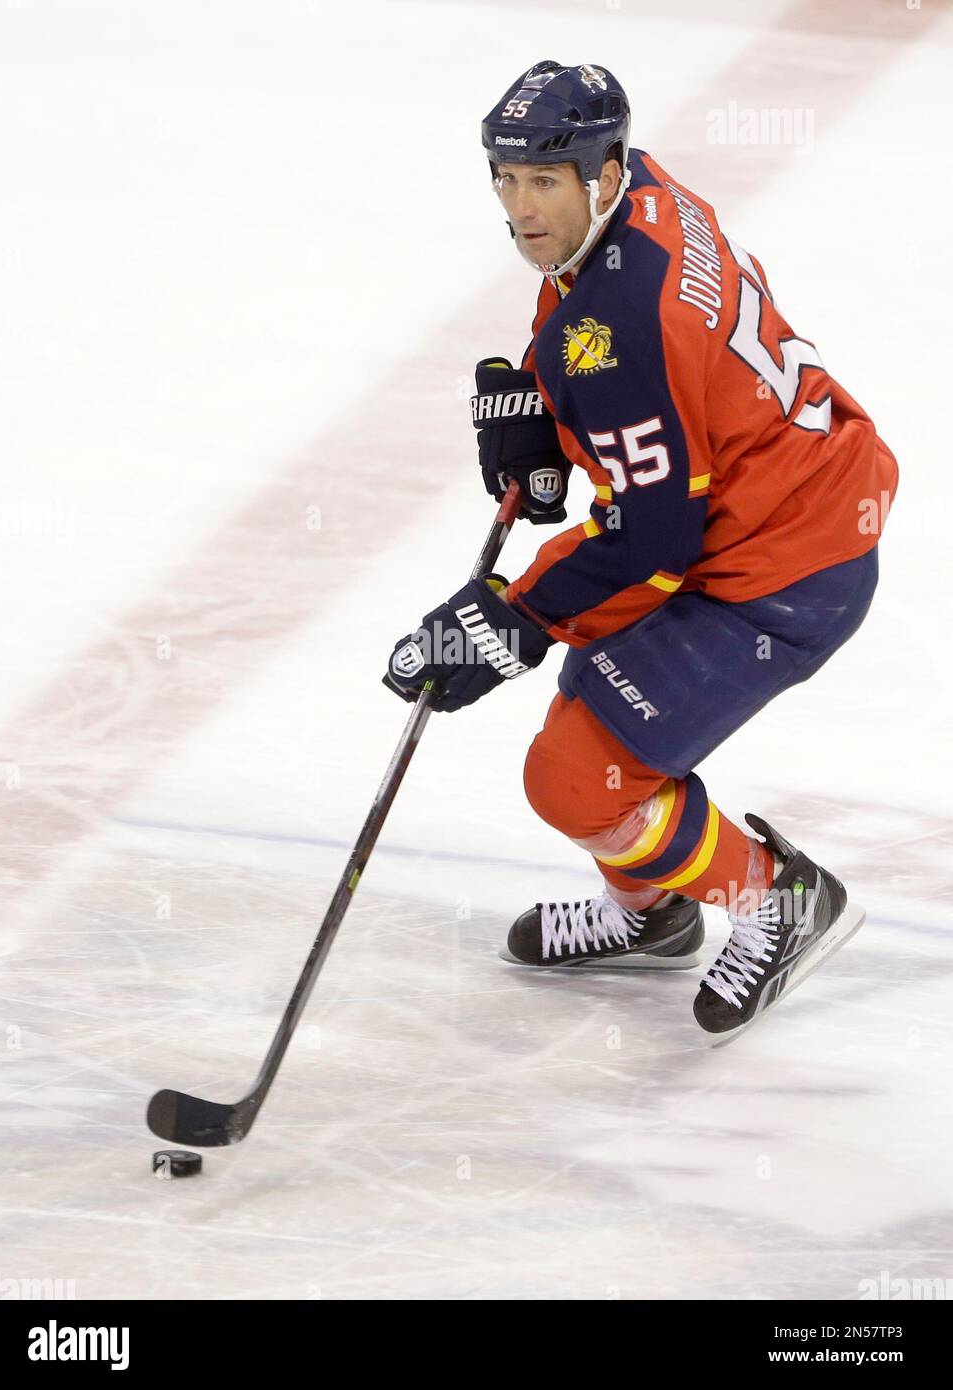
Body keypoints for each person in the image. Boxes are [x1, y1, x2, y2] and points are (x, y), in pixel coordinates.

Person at [384, 60, 898, 1040]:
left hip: (780, 568)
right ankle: (653, 912)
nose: (520, 207)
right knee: (596, 705)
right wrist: (544, 404)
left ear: (603, 173)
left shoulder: (623, 323)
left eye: (545, 181)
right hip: (782, 504)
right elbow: (609, 341)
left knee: (576, 775)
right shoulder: (646, 201)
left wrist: (507, 620)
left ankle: (775, 899)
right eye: (506, 178)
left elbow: (651, 545)